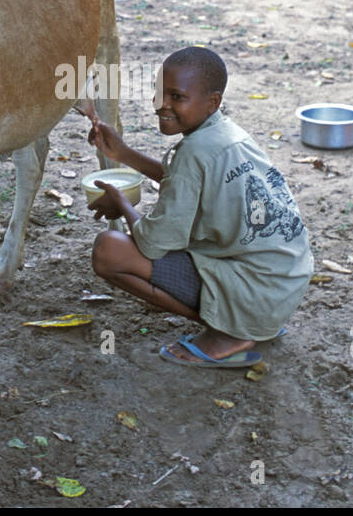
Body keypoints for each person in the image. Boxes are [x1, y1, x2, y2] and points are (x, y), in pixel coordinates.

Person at [87, 46, 314, 367]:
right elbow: (189, 181)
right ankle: (246, 322)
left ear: (212, 102)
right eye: (159, 94)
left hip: (258, 296)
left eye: (176, 97)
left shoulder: (193, 152)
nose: (161, 105)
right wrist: (125, 155)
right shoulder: (226, 134)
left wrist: (121, 202)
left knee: (109, 251)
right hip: (285, 283)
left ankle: (230, 333)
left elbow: (151, 243)